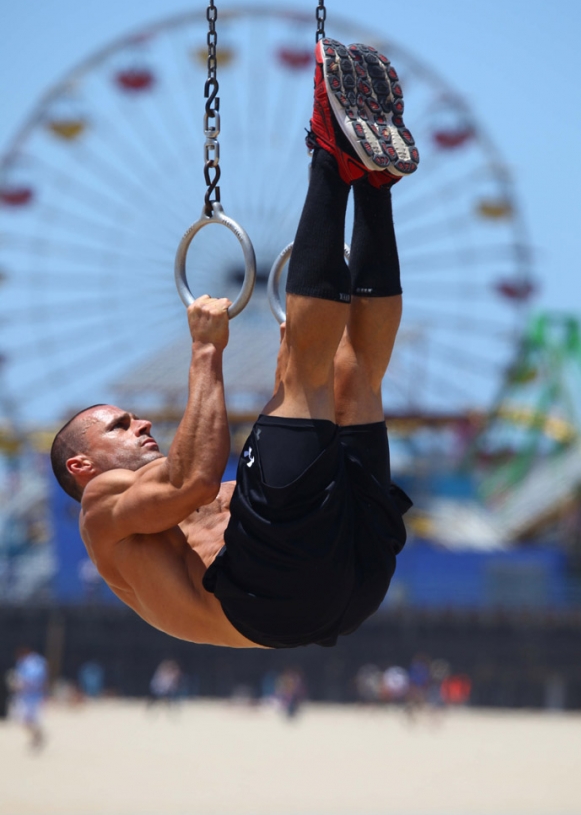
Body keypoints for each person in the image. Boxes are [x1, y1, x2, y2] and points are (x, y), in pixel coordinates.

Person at [49, 38, 418, 650]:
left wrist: (289, 360)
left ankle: (374, 187)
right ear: (81, 466)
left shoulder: (159, 503)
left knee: (352, 379)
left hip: (347, 587)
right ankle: (331, 156)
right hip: (270, 600)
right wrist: (206, 350)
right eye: (118, 426)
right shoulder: (101, 509)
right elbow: (194, 482)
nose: (141, 422)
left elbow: (263, 477)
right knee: (309, 380)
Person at [9, 646, 48, 750]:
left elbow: (36, 680)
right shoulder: (27, 662)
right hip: (25, 695)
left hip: (32, 696)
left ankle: (38, 736)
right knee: (23, 719)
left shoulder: (33, 663)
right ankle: (37, 736)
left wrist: (18, 683)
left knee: (26, 719)